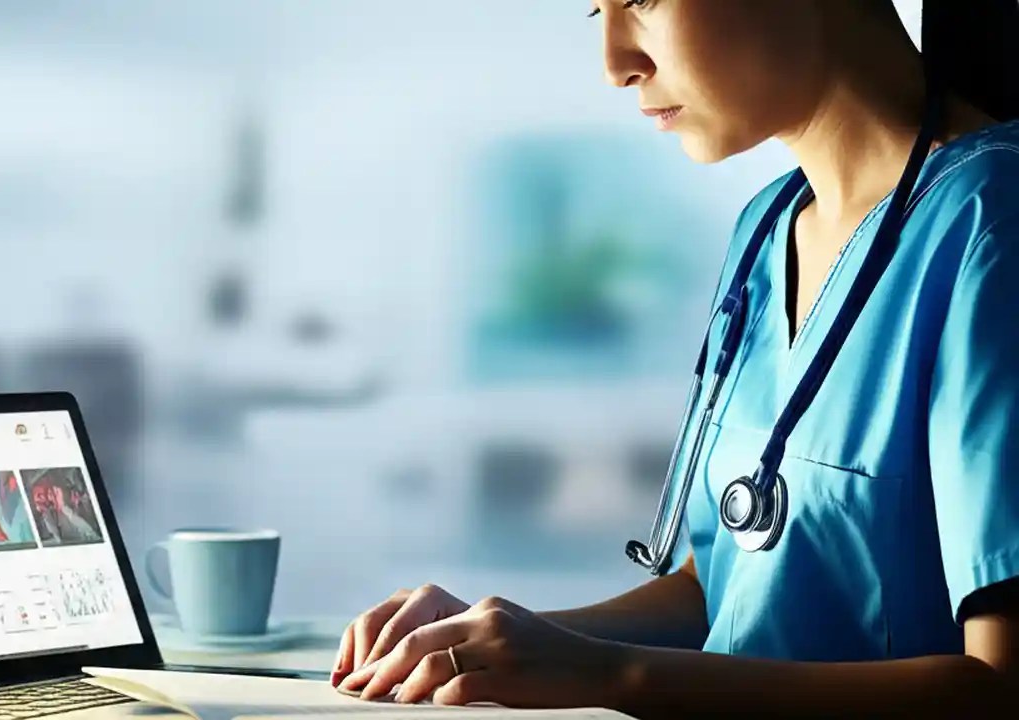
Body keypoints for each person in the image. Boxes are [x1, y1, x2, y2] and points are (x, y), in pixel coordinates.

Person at [329, 1, 1019, 716]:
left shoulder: (992, 225)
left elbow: (1003, 689)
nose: (615, 64)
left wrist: (609, 676)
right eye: (597, 11)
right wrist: (490, 640)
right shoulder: (768, 226)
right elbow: (719, 591)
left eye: (643, 1)